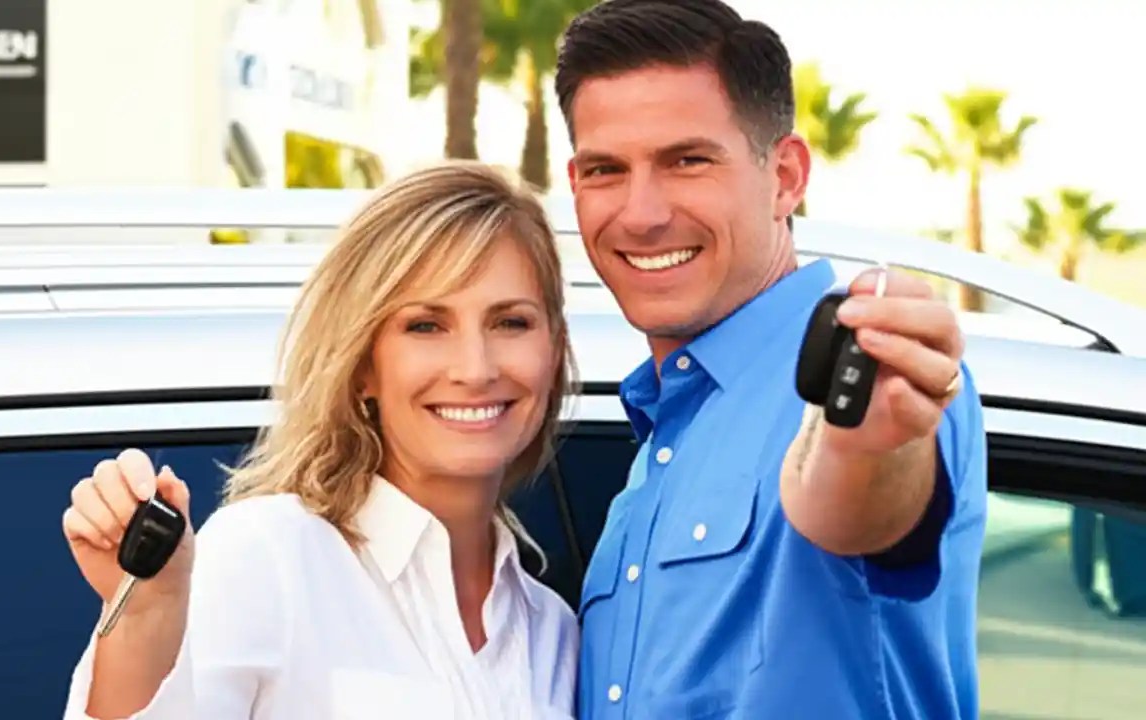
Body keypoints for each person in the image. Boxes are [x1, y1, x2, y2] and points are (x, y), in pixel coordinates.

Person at [554, 1, 988, 718]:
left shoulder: (866, 365)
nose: (640, 213)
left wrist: (864, 440)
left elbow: (855, 496)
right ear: (575, 185)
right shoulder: (657, 446)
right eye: (606, 170)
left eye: (687, 160)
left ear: (785, 176)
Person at [59, 161, 581, 720]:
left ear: (553, 353)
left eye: (511, 322)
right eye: (426, 325)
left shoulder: (555, 633)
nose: (475, 369)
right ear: (363, 367)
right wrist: (146, 616)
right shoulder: (267, 555)